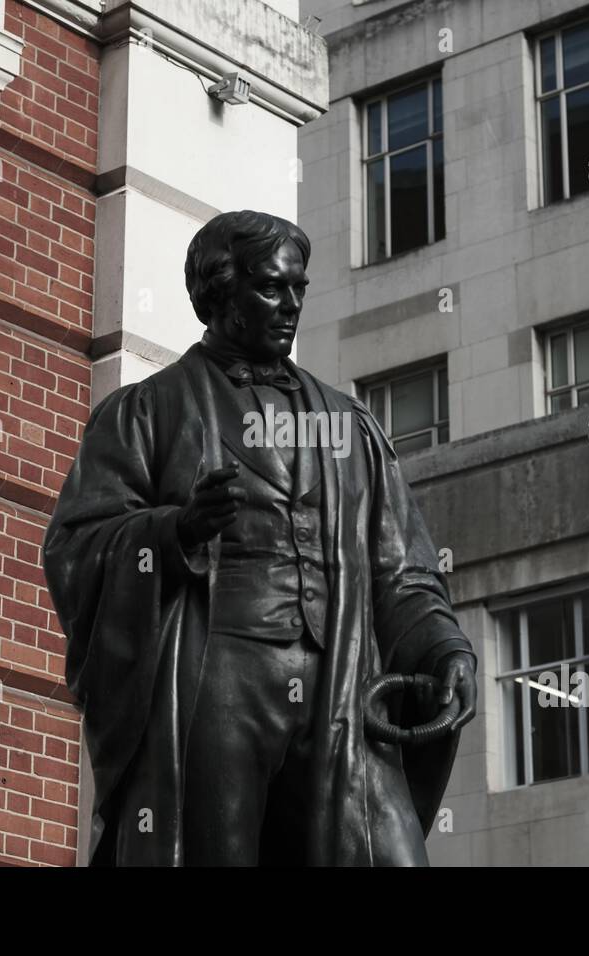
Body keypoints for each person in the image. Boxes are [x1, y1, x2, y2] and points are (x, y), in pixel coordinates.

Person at [43, 210, 477, 865]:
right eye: (273, 289)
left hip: (340, 681)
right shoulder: (147, 411)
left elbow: (402, 569)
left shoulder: (348, 425)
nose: (292, 305)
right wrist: (175, 531)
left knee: (387, 853)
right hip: (218, 679)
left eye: (300, 288)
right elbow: (75, 549)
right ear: (220, 293)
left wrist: (444, 649)